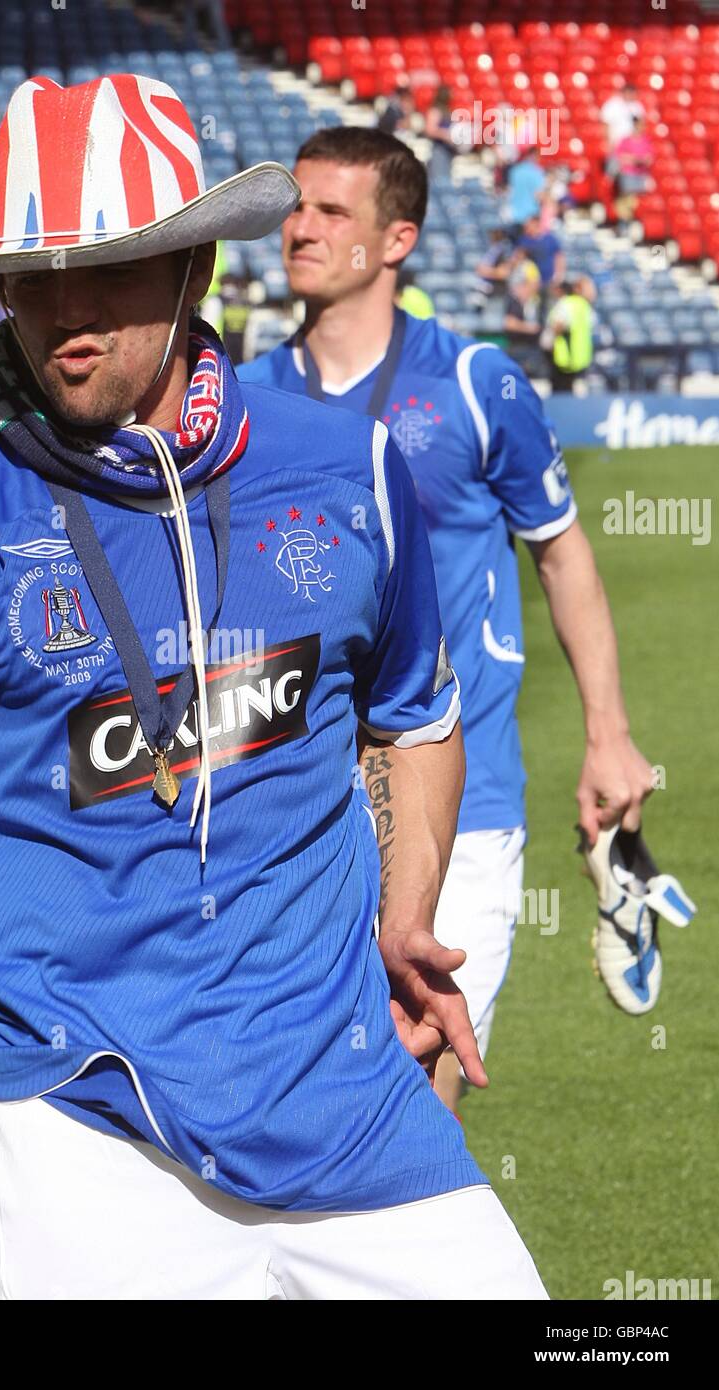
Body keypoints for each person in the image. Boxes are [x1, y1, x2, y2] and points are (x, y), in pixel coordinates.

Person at [0, 72, 546, 1301]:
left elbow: (417, 715)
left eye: (115, 265)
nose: (67, 309)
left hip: (343, 1098)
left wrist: (407, 917)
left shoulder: (351, 469)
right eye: (34, 271)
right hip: (71, 1110)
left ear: (194, 266)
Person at [238, 127, 655, 1114]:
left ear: (398, 240)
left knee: (411, 1106)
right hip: (296, 809)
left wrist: (609, 735)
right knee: (289, 1125)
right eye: (297, 206)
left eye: (333, 211)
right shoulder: (243, 400)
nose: (301, 227)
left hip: (461, 804)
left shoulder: (477, 383)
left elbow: (560, 549)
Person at [544, 277, 595, 393]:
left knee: (561, 391)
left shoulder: (566, 303)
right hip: (581, 357)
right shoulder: (584, 305)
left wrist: (550, 342)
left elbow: (558, 325)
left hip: (564, 356)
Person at [600, 81, 644, 151]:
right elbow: (606, 124)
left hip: (630, 145)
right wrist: (608, 141)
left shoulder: (636, 106)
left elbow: (639, 124)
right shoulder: (612, 104)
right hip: (615, 141)